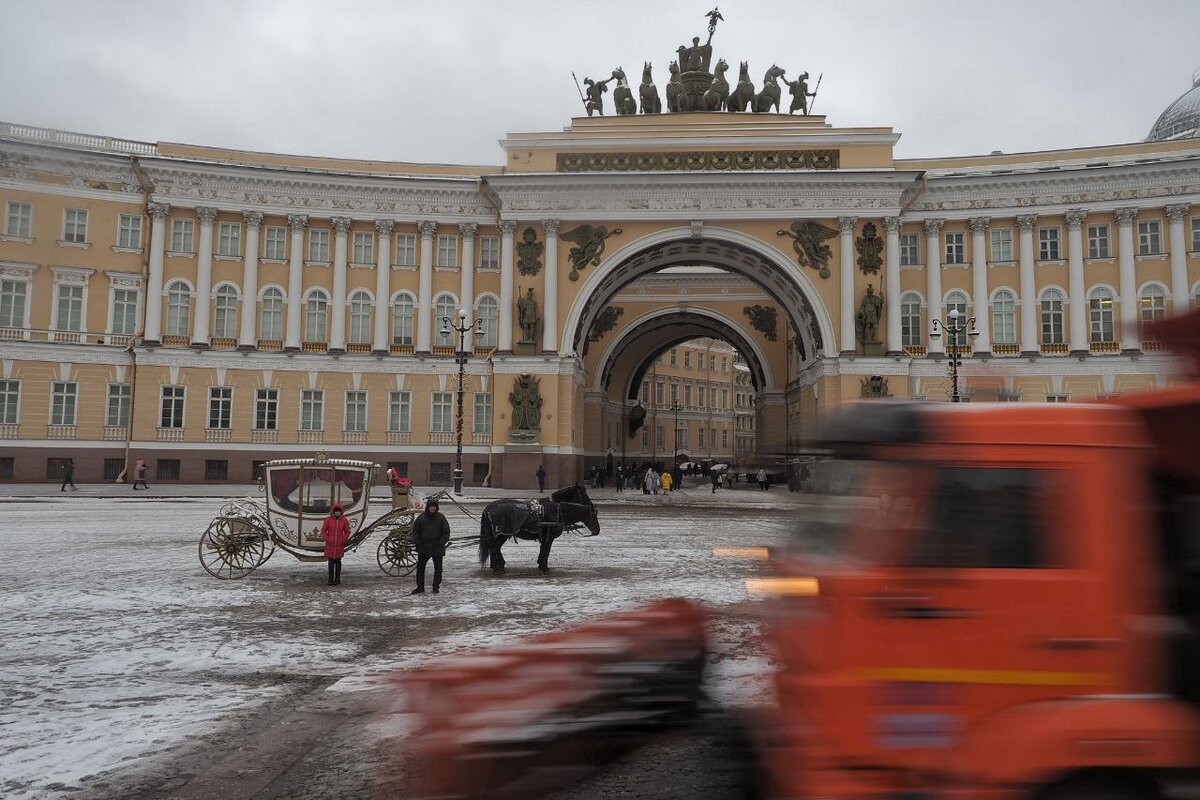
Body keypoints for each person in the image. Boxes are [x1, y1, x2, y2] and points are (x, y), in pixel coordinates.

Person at [412, 497, 451, 595]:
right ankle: (420, 587)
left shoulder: (441, 518)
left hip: (437, 547)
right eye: (431, 506)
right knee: (420, 569)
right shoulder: (421, 518)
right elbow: (415, 532)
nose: (432, 508)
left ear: (437, 508)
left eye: (434, 507)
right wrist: (419, 543)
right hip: (424, 547)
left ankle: (436, 587)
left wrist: (441, 543)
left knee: (438, 569)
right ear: (428, 507)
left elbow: (446, 533)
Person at [321, 503, 351, 586]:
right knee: (330, 563)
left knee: (338, 562)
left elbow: (347, 531)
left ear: (341, 512)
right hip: (330, 544)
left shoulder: (344, 520)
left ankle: (337, 579)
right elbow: (323, 530)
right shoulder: (328, 520)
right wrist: (327, 539)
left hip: (339, 544)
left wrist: (343, 540)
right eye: (336, 511)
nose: (337, 513)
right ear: (333, 512)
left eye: (339, 511)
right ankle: (330, 579)